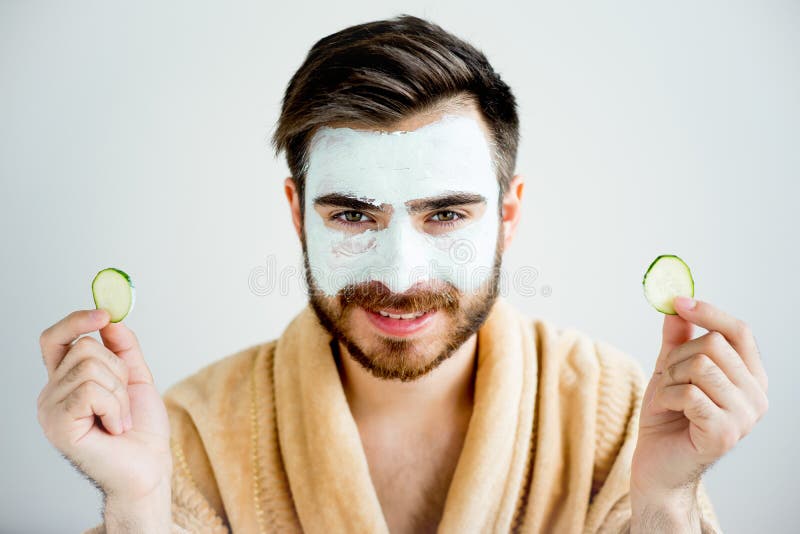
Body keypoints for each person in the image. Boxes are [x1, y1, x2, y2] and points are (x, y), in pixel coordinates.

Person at [37, 15, 768, 534]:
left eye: (446, 215)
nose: (398, 275)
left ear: (508, 216)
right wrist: (136, 503)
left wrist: (667, 499)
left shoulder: (619, 420)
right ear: (298, 214)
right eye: (352, 217)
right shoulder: (191, 433)